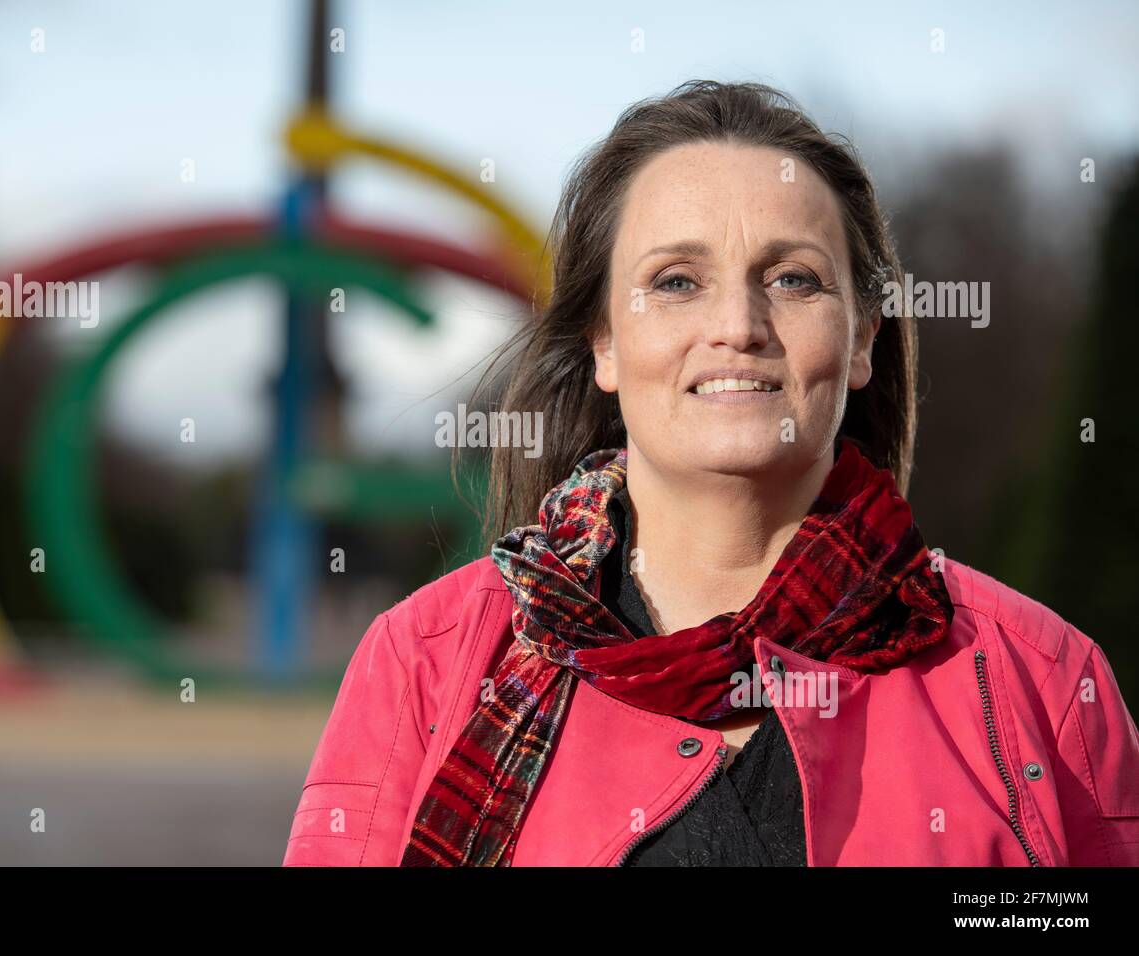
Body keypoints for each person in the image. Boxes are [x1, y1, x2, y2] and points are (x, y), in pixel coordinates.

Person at [282, 80, 1139, 867]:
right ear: (605, 343)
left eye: (794, 279)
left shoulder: (1047, 684)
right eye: (678, 280)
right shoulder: (421, 666)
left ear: (865, 339)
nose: (737, 324)